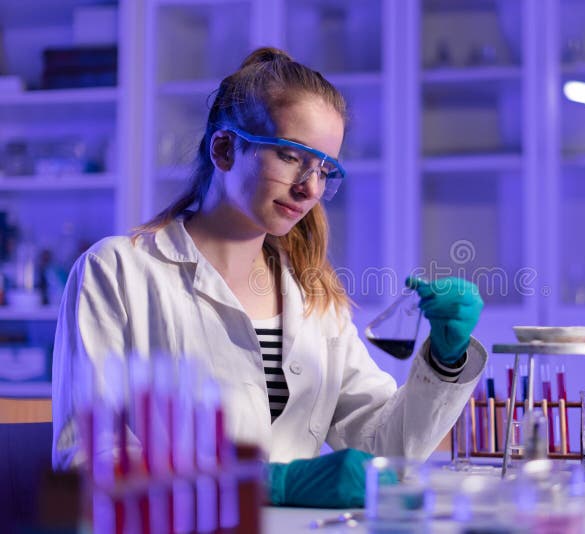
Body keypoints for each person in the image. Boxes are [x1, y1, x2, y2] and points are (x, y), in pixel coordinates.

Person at [51, 47, 486, 508]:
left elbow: (386, 451)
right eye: (291, 156)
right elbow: (91, 463)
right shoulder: (117, 273)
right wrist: (268, 485)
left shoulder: (313, 294)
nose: (310, 188)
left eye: (323, 169)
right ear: (223, 149)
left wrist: (444, 358)